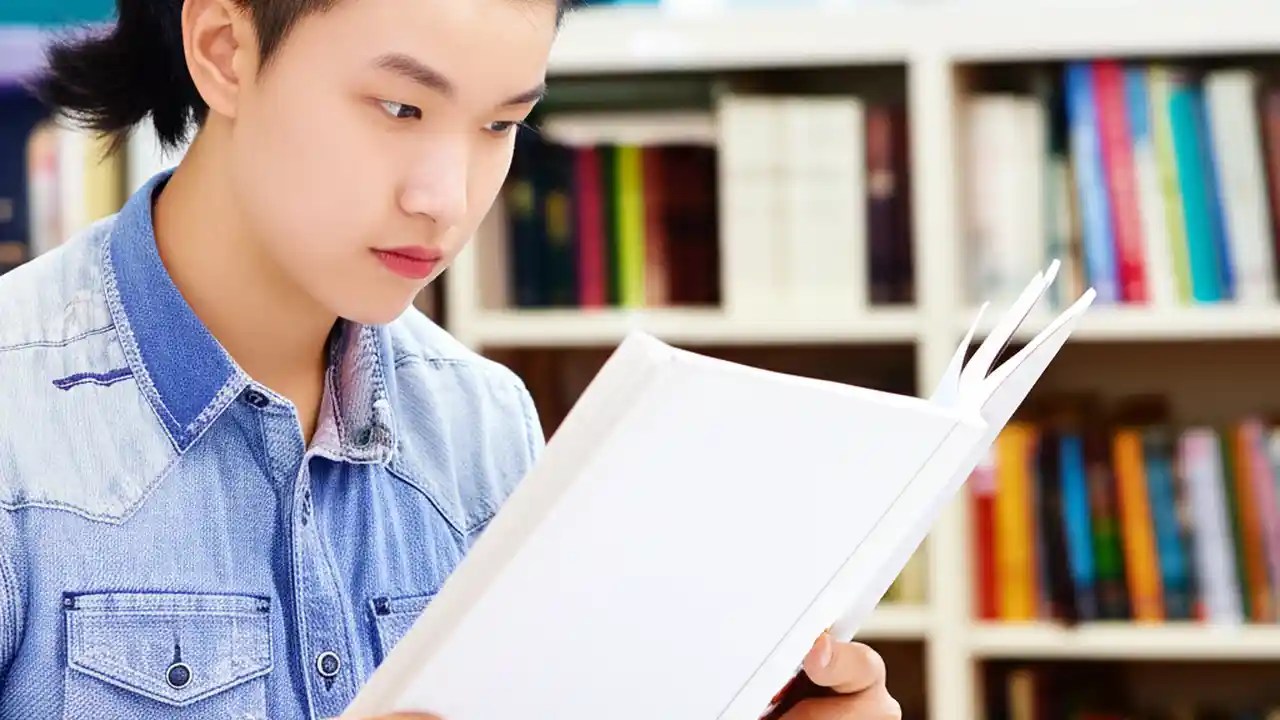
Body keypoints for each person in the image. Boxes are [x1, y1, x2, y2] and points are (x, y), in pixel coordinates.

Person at [0, 0, 903, 718]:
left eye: (502, 124)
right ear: (226, 50)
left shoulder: (484, 424)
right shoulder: (18, 419)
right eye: (401, 108)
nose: (447, 198)